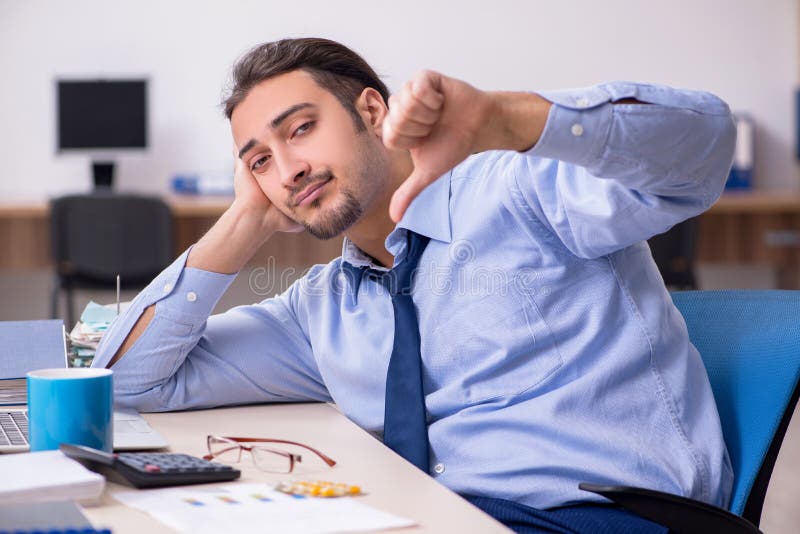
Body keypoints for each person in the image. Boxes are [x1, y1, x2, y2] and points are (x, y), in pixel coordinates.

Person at [92, 37, 736, 533]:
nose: (288, 169)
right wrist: (245, 218)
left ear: (372, 110)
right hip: (438, 516)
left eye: (301, 129)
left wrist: (508, 120)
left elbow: (703, 150)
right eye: (259, 160)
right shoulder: (320, 313)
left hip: (601, 516)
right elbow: (128, 383)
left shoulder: (521, 191)